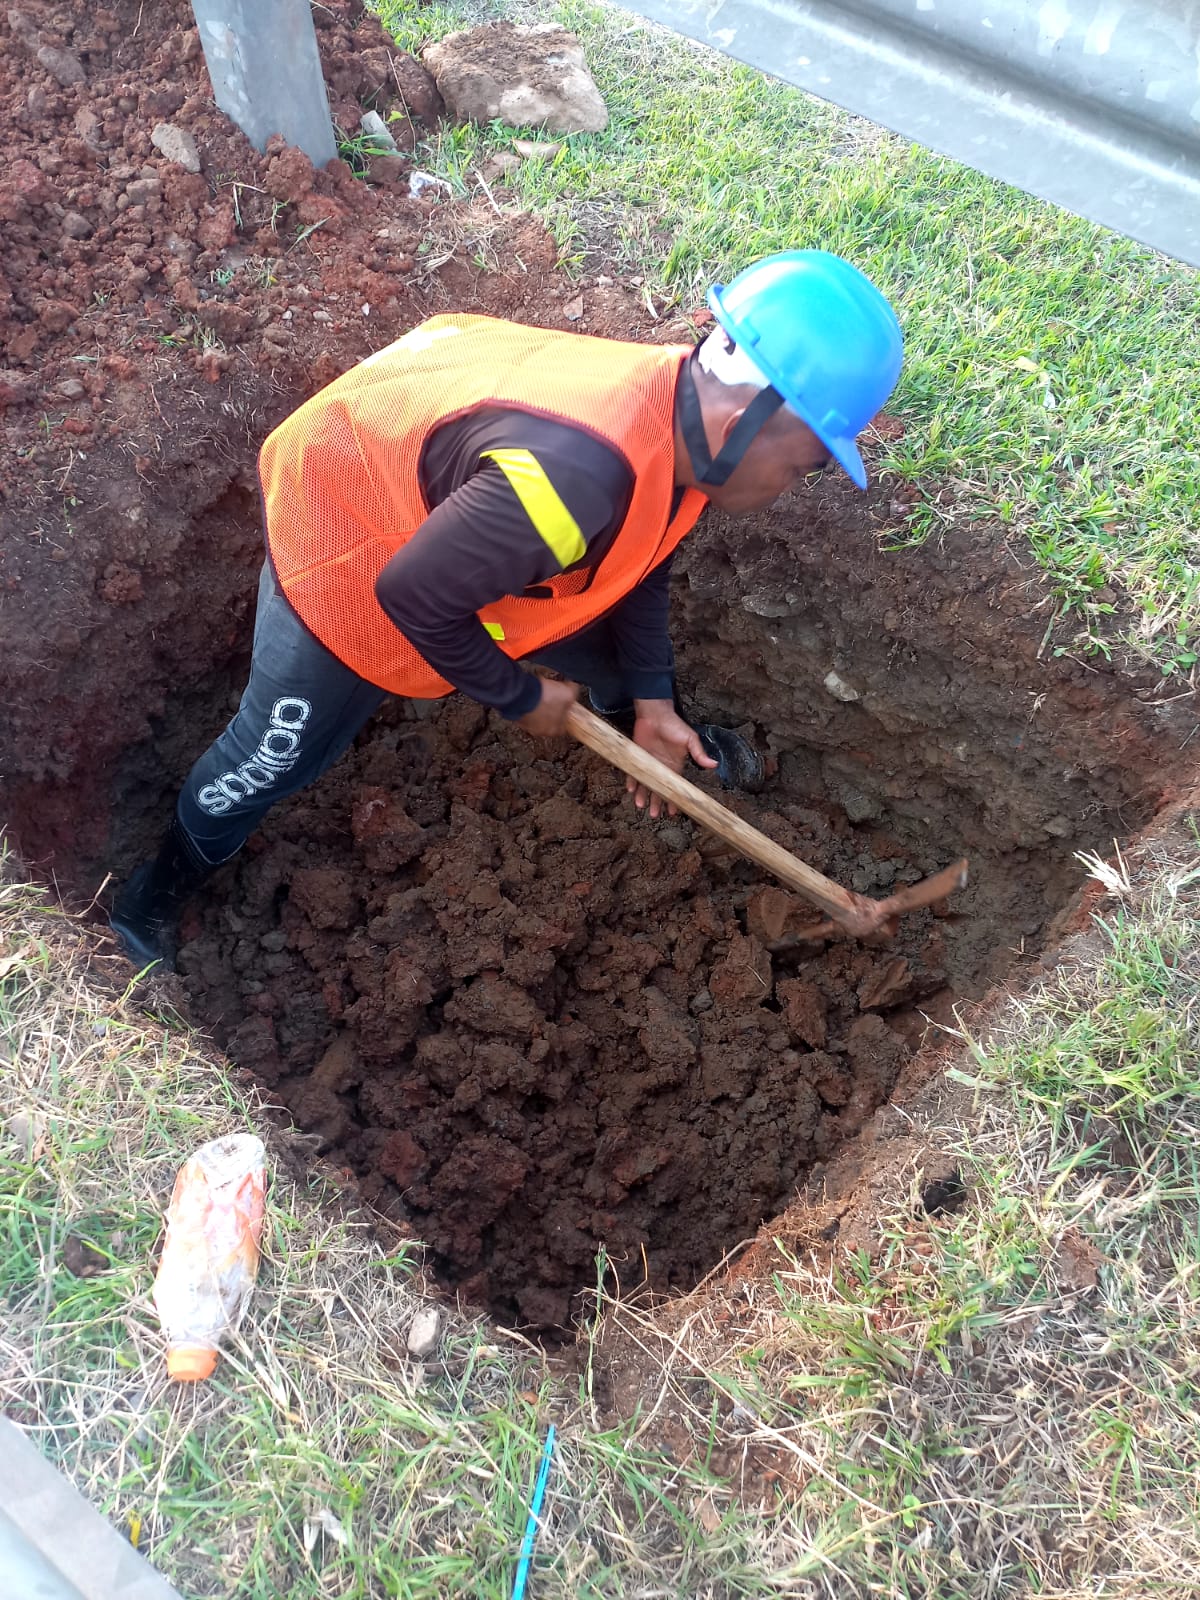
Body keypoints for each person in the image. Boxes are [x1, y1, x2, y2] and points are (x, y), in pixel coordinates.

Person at [111, 249, 903, 967]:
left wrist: (654, 699)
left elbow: (641, 557)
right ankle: (148, 905)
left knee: (596, 627)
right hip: (350, 528)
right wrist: (521, 695)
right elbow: (411, 596)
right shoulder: (574, 479)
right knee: (274, 756)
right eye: (803, 467)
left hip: (463, 497)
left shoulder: (679, 415)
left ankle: (652, 731)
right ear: (743, 423)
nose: (790, 489)